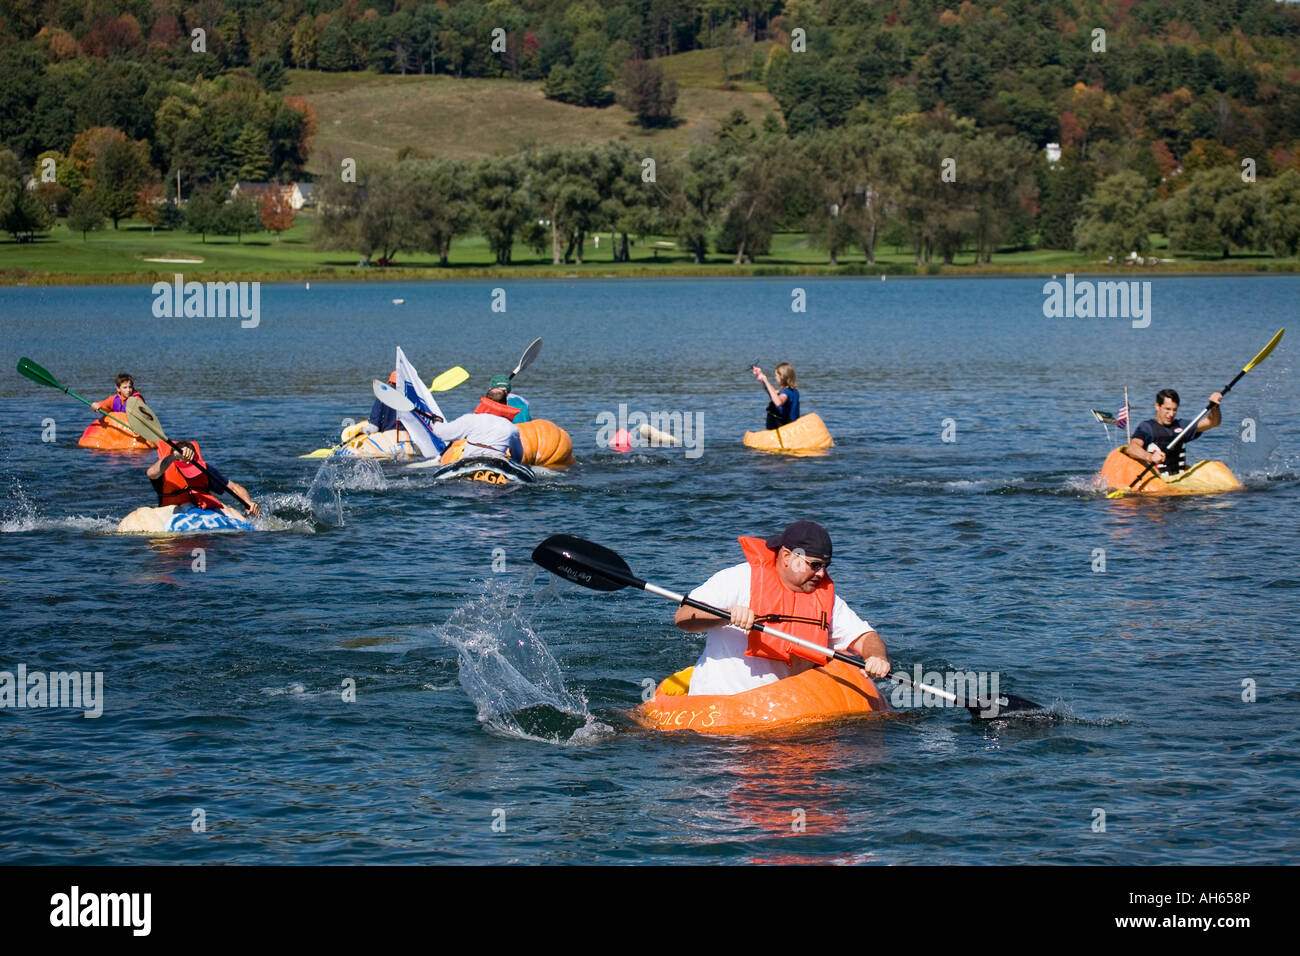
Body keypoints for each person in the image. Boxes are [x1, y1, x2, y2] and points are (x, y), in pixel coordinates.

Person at [673, 521, 889, 695]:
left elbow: (865, 636)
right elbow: (683, 618)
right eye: (814, 565)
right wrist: (727, 617)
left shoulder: (825, 598)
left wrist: (876, 657)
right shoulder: (738, 579)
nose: (821, 574)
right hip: (720, 703)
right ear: (787, 556)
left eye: (825, 566)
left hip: (781, 707)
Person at [146, 440, 260, 519]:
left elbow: (234, 487)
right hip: (173, 514)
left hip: (202, 514)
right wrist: (174, 456)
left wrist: (248, 502)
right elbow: (151, 473)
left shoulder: (203, 469)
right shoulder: (164, 470)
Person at [1126, 387, 1223, 476]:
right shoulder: (1147, 427)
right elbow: (1132, 448)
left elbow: (1213, 422)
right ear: (1157, 406)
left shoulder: (1183, 426)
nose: (1171, 414)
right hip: (1157, 481)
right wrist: (1150, 457)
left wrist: (1214, 405)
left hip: (1179, 480)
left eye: (1174, 410)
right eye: (1167, 409)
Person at [752, 362, 800, 430]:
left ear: (782, 376)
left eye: (776, 375)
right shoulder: (793, 391)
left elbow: (778, 402)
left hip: (784, 430)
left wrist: (766, 381)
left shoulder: (786, 393)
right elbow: (773, 393)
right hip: (789, 428)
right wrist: (761, 376)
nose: (775, 378)